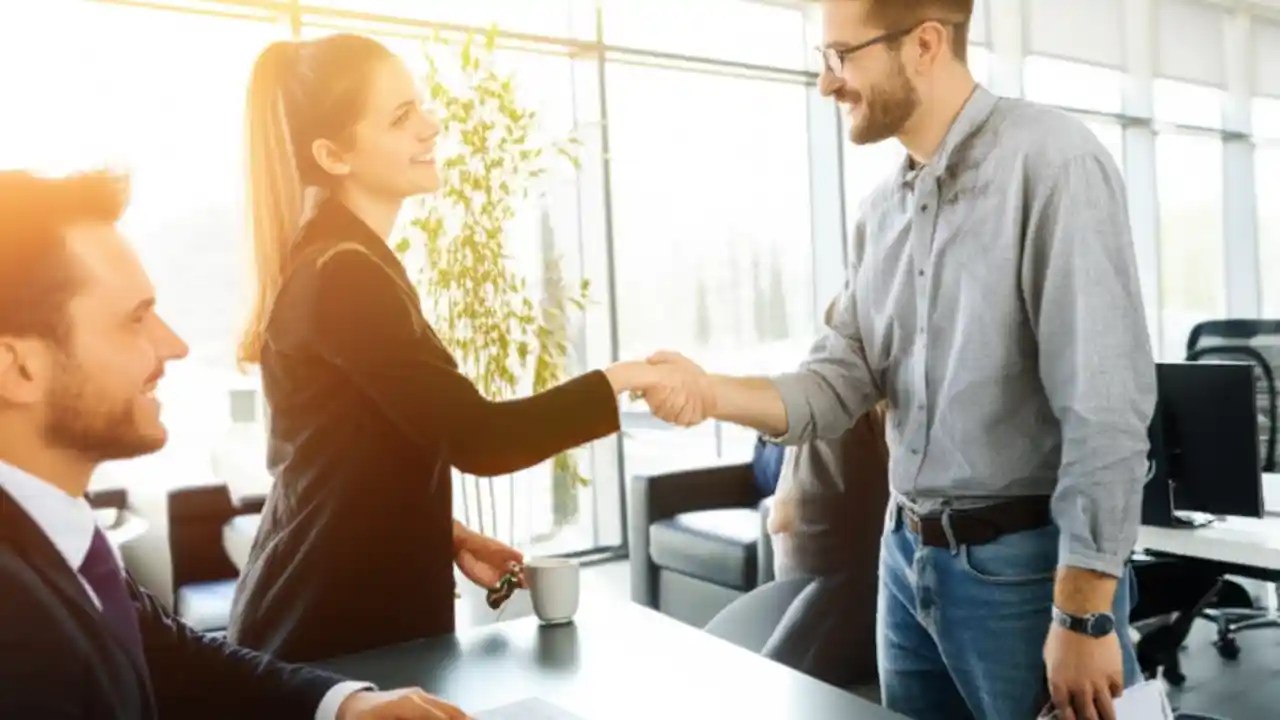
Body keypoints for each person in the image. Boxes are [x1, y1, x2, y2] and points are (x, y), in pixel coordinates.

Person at [642, 2, 1157, 719]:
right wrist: (706, 391)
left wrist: (1085, 613)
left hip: (1023, 574)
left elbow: (1106, 406)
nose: (826, 84)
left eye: (839, 57)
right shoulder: (882, 212)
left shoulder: (1052, 162)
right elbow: (836, 383)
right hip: (905, 560)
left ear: (924, 43)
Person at [227, 33, 673, 663]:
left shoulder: (345, 261)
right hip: (329, 628)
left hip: (337, 616)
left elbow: (346, 459)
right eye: (401, 117)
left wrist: (444, 534)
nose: (431, 126)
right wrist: (623, 378)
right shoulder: (343, 274)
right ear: (332, 154)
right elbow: (479, 438)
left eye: (421, 107)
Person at [0, 169, 468, 719]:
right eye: (134, 320)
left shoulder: (55, 532)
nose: (172, 346)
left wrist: (346, 706)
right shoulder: (15, 616)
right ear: (18, 368)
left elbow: (165, 657)